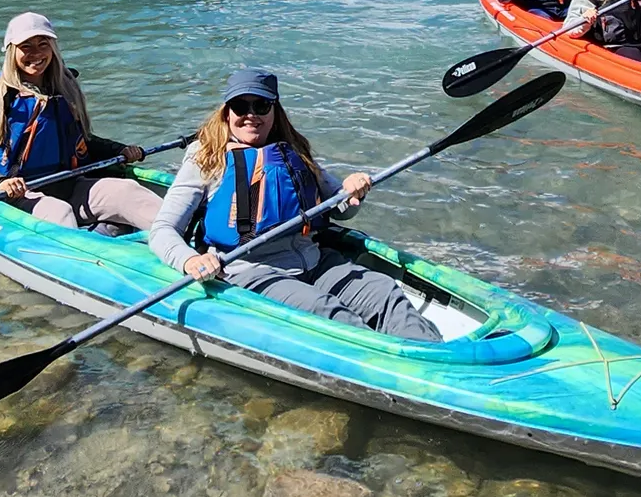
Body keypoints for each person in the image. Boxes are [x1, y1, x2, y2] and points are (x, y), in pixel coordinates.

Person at [148, 67, 437, 343]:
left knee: (385, 293)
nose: (251, 115)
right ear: (227, 113)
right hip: (251, 270)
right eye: (240, 106)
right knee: (329, 313)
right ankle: (392, 372)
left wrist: (354, 191)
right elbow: (162, 230)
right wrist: (190, 261)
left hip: (315, 261)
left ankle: (438, 361)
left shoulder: (293, 150)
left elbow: (343, 209)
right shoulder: (206, 158)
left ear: (275, 110)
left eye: (261, 105)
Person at [0, 11, 163, 233]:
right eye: (26, 46)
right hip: (21, 194)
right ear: (12, 51)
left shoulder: (64, 90)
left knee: (127, 191)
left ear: (53, 48)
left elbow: (82, 142)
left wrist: (119, 150)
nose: (37, 54)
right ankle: (83, 260)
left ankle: (183, 244)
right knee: (58, 212)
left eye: (43, 45)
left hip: (68, 184)